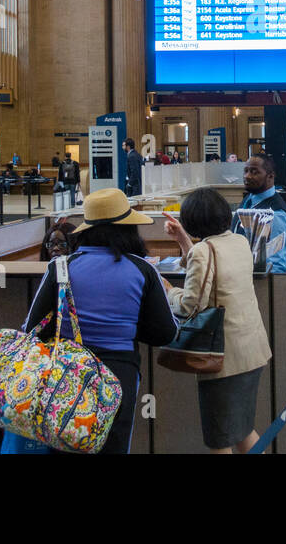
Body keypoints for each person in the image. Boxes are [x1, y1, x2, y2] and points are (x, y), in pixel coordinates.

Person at [22, 189, 177, 454]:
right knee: (113, 445)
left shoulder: (61, 267)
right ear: (127, 229)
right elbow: (166, 333)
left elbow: (31, 329)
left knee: (63, 444)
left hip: (65, 373)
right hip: (119, 375)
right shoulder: (142, 270)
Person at [163, 188, 271, 453]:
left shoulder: (203, 251)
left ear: (193, 220)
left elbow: (191, 306)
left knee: (219, 439)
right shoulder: (239, 242)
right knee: (243, 429)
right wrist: (183, 240)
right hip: (251, 352)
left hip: (223, 359)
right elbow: (211, 267)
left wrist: (169, 292)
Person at [237, 155, 286, 273]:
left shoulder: (276, 215)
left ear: (270, 176)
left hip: (256, 286)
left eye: (254, 172)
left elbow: (276, 268)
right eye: (246, 171)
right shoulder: (249, 200)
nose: (247, 176)